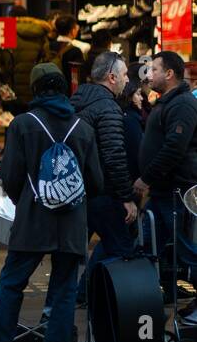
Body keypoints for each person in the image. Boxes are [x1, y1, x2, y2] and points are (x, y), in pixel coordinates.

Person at [0, 64, 103, 342]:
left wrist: (24, 200)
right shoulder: (82, 127)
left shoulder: (23, 124)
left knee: (13, 284)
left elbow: (11, 177)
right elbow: (96, 183)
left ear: (36, 89)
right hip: (71, 222)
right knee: (65, 288)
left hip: (32, 219)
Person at [135, 50, 197, 326]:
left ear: (169, 74)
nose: (149, 75)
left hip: (176, 192)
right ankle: (147, 307)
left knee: (188, 252)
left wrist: (146, 178)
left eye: (154, 70)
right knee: (148, 245)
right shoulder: (166, 102)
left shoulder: (182, 104)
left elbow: (174, 147)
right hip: (162, 192)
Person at [71, 52, 137, 303]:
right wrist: (126, 197)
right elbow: (114, 156)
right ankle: (118, 308)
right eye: (123, 75)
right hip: (101, 193)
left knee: (70, 256)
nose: (126, 80)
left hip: (76, 191)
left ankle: (63, 304)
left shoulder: (76, 101)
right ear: (111, 77)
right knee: (121, 248)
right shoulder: (107, 107)